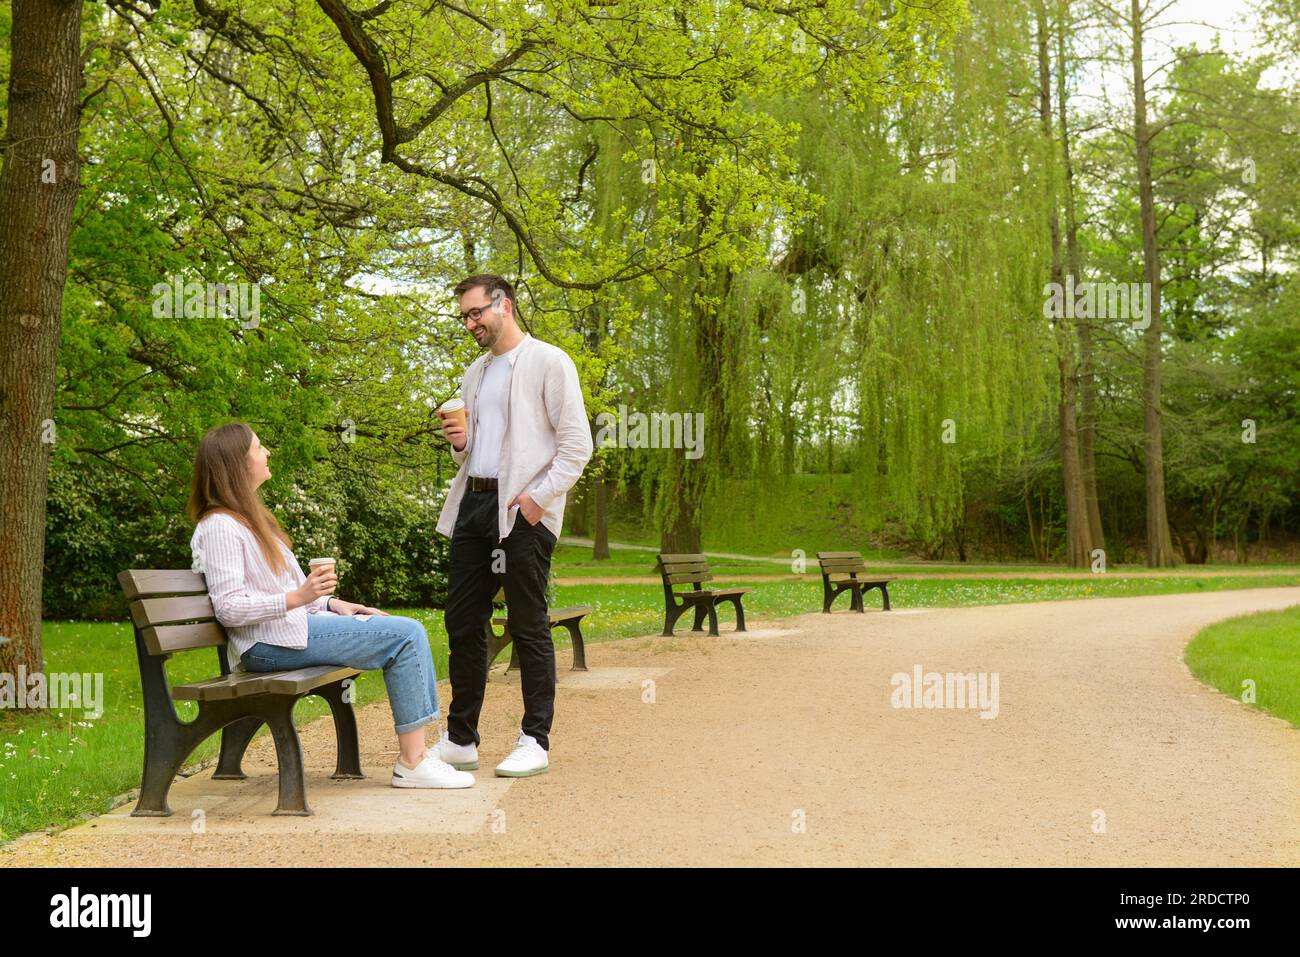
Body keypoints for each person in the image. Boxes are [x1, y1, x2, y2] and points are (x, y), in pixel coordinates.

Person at [188, 421, 473, 789]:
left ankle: (416, 758)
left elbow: (292, 594)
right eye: (259, 448)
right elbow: (229, 608)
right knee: (405, 635)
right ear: (237, 464)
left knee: (400, 630)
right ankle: (414, 762)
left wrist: (333, 603)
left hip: (286, 634)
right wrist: (300, 597)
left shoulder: (251, 522)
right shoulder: (220, 527)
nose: (267, 453)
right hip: (267, 646)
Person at [435, 274, 593, 777]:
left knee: (528, 625)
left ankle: (534, 739)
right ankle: (461, 737)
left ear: (504, 306)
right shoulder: (474, 374)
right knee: (462, 621)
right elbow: (476, 451)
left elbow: (576, 446)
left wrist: (536, 500)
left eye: (475, 312)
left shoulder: (550, 361)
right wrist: (460, 443)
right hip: (474, 506)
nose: (469, 322)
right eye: (464, 315)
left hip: (521, 512)